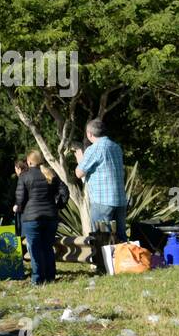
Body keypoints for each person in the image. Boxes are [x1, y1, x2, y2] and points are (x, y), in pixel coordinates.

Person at [17, 150, 67, 285]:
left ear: (29, 161)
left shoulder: (24, 176)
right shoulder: (51, 173)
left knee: (34, 249)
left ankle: (37, 279)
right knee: (47, 247)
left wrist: (18, 207)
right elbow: (64, 190)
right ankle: (50, 277)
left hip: (31, 218)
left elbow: (20, 199)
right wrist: (59, 206)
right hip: (50, 217)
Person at [73, 118, 127, 242]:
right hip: (120, 199)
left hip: (102, 200)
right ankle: (124, 260)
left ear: (89, 134)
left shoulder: (94, 149)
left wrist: (80, 160)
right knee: (121, 236)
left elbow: (79, 173)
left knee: (101, 238)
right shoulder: (116, 147)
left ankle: (102, 261)